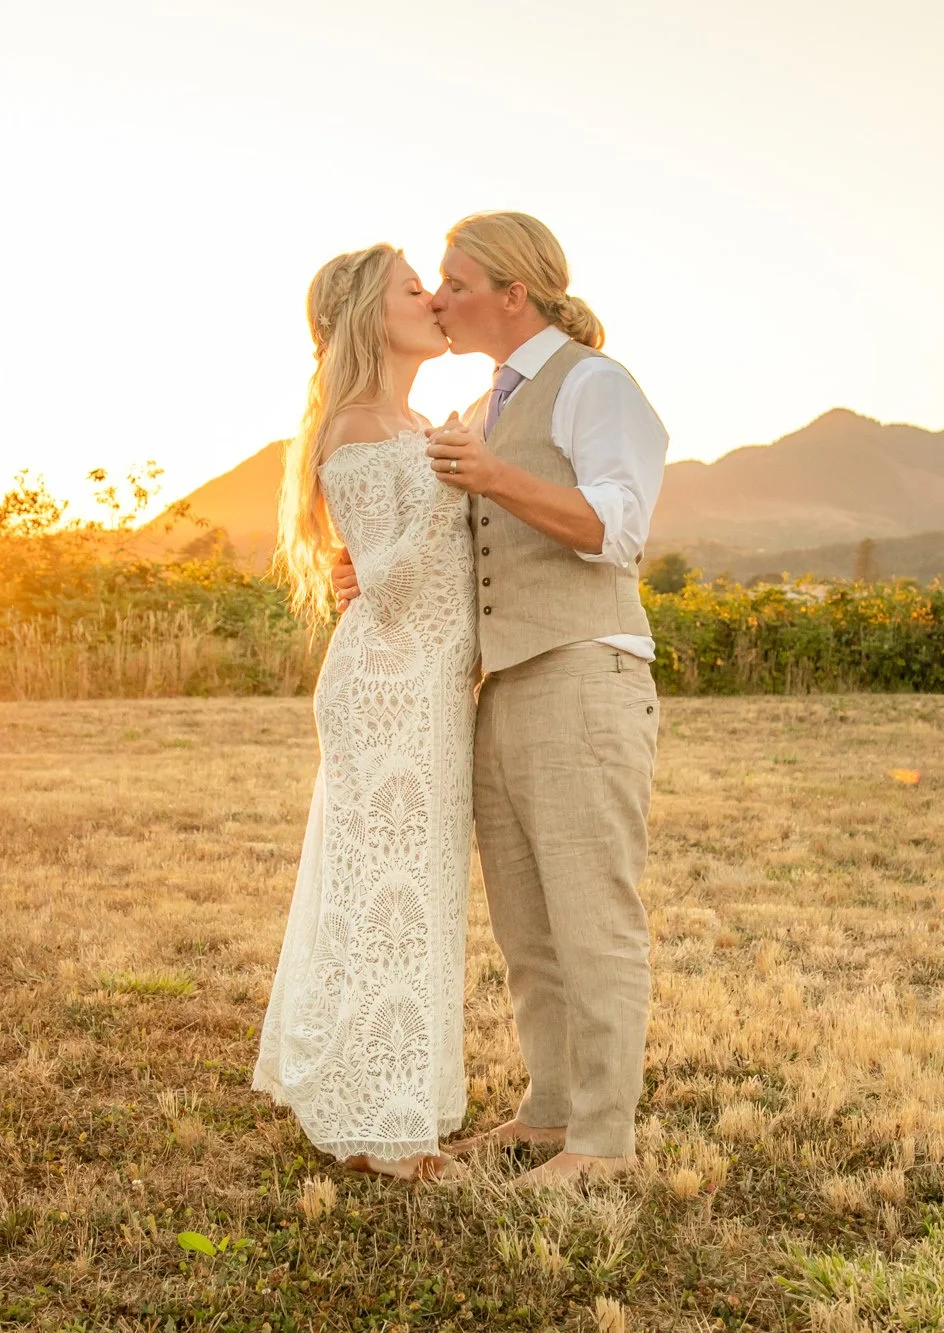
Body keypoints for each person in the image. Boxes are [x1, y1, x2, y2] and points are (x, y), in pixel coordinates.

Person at [333, 211, 668, 1185]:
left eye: (454, 279)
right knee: (526, 920)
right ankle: (549, 1110)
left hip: (583, 669)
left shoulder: (594, 386)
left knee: (590, 913)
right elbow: (457, 535)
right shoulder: (486, 406)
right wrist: (368, 569)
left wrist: (494, 474)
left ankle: (601, 1140)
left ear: (511, 293)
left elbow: (616, 529)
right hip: (501, 682)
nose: (437, 297)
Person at [251, 243, 476, 1182]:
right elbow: (380, 584)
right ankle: (388, 1133)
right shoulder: (353, 426)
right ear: (364, 316)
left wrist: (453, 462)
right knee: (387, 893)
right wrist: (450, 479)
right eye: (411, 287)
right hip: (385, 685)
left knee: (419, 897)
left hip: (434, 685)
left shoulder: (419, 421)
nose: (432, 298)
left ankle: (391, 1095)